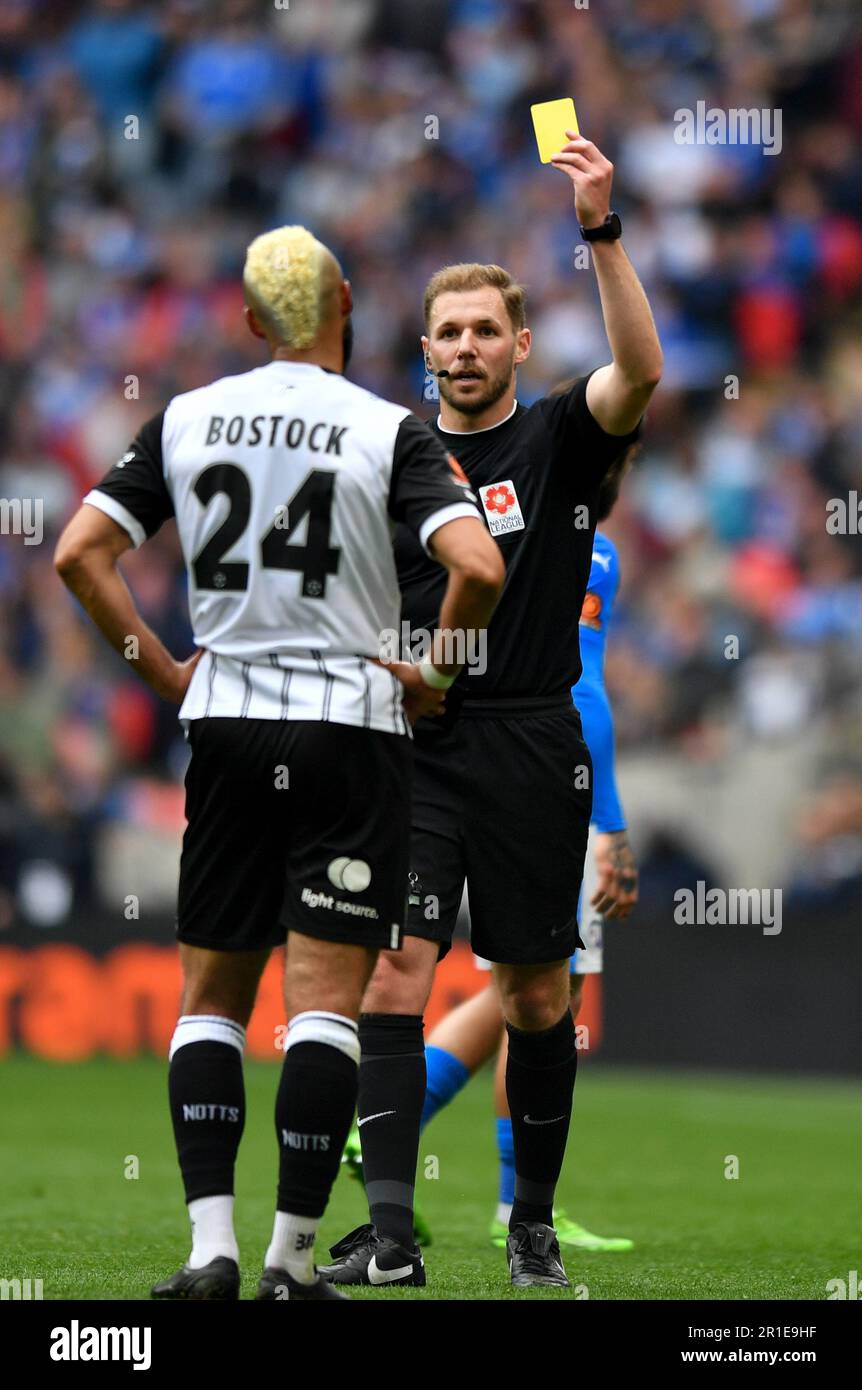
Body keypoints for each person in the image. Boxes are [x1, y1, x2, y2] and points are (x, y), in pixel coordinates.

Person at [54, 224, 504, 1301]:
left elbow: (79, 553)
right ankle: (290, 1263)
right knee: (321, 1009)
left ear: (251, 322)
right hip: (349, 725)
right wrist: (438, 672)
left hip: (227, 723)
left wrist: (163, 672)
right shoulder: (387, 428)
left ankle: (209, 1250)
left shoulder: (186, 417)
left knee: (208, 999)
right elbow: (475, 565)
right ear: (345, 302)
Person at [321, 133, 662, 1290]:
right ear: (422, 352)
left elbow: (642, 369)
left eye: (484, 331)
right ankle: (392, 1230)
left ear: (518, 343)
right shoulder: (385, 452)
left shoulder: (561, 437)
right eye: (445, 332)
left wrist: (599, 228)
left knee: (532, 991)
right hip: (412, 746)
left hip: (529, 738)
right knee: (392, 974)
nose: (463, 348)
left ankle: (530, 1226)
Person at [343, 441, 640, 1253]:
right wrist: (608, 820)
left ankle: (425, 1163)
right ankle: (516, 1206)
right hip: (541, 775)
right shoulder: (589, 551)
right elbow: (583, 684)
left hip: (455, 758)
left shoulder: (444, 521)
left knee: (512, 991)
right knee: (548, 992)